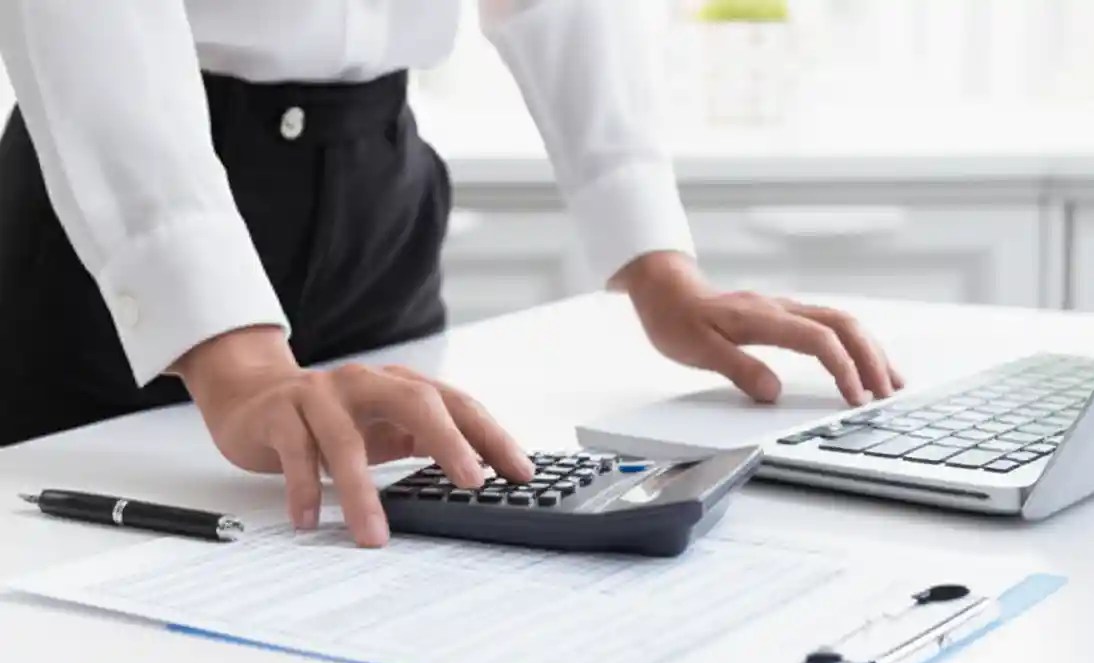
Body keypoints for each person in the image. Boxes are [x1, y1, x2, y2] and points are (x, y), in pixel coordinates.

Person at [0, 1, 902, 547]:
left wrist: (657, 264)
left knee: (374, 567)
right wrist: (234, 360)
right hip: (119, 212)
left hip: (378, 191)